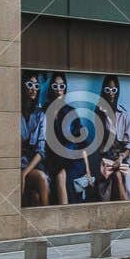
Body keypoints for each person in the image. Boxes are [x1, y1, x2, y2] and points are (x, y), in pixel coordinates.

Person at [92, 76, 130, 200]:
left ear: (117, 91)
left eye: (114, 90)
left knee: (126, 180)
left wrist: (121, 158)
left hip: (125, 159)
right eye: (108, 90)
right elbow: (99, 148)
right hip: (107, 159)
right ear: (103, 91)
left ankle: (125, 210)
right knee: (115, 176)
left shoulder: (123, 114)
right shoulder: (99, 113)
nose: (111, 93)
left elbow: (129, 147)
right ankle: (125, 211)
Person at [41, 72, 85, 205]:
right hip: (51, 158)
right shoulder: (43, 111)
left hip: (71, 158)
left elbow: (80, 142)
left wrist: (88, 169)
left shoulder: (71, 111)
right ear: (51, 88)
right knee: (58, 175)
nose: (59, 89)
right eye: (55, 86)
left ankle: (65, 216)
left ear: (65, 88)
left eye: (62, 86)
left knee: (62, 176)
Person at [20, 71, 51, 207]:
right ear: (23, 86)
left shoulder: (40, 115)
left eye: (37, 86)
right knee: (36, 192)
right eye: (30, 84)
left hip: (32, 164)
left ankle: (47, 221)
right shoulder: (13, 112)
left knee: (39, 190)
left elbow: (41, 151)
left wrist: (24, 174)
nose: (33, 89)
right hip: (15, 162)